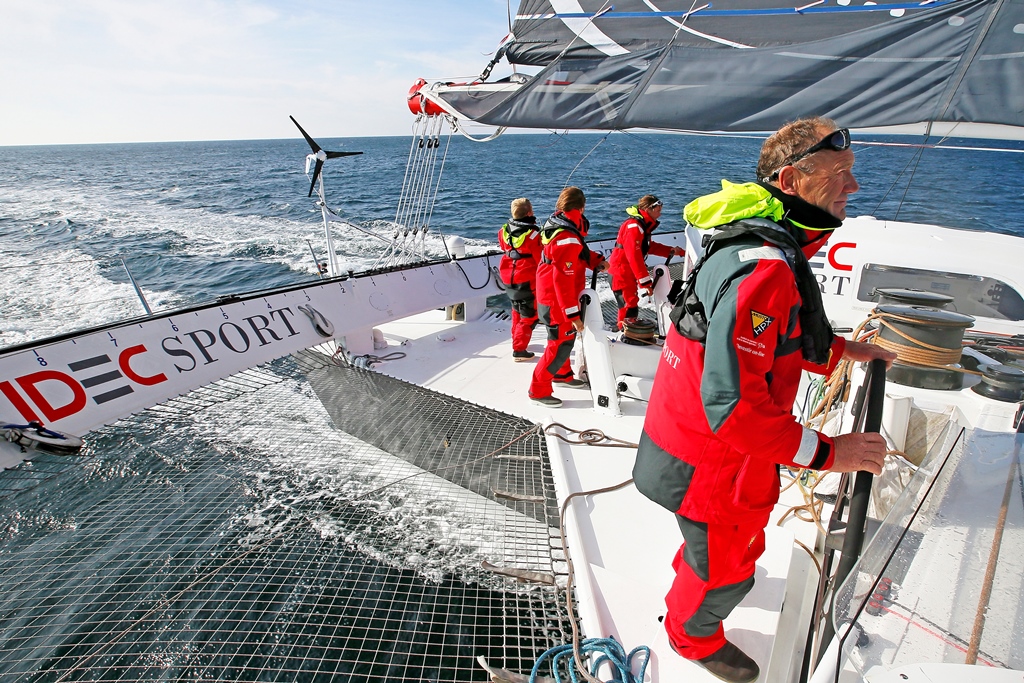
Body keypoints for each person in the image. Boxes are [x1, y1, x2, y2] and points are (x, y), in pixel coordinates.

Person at [631, 117, 897, 683]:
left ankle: (693, 571)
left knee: (709, 549)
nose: (853, 187)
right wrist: (832, 454)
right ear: (792, 180)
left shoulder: (748, 240)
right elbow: (735, 408)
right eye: (840, 174)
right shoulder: (767, 267)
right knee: (730, 575)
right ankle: (692, 636)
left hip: (684, 442)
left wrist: (843, 351)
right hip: (715, 465)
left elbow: (773, 340)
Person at [529, 186, 607, 407]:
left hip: (548, 296)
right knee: (559, 344)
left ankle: (561, 375)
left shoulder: (558, 224)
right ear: (581, 208)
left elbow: (575, 253)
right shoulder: (568, 236)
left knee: (564, 341)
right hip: (557, 301)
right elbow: (563, 278)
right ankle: (538, 390)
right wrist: (573, 315)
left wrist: (596, 260)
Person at [608, 194, 685, 330]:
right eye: (658, 210)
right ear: (649, 208)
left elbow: (650, 247)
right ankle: (625, 334)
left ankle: (627, 332)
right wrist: (645, 283)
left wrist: (673, 251)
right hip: (621, 272)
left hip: (626, 271)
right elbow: (634, 256)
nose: (660, 213)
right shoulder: (634, 227)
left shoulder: (640, 226)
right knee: (628, 305)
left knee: (630, 304)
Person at [498, 198, 543, 361]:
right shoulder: (534, 234)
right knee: (529, 314)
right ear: (530, 213)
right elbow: (541, 259)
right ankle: (519, 349)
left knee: (517, 309)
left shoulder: (503, 230)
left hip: (508, 275)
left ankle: (517, 340)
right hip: (526, 277)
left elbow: (504, 247)